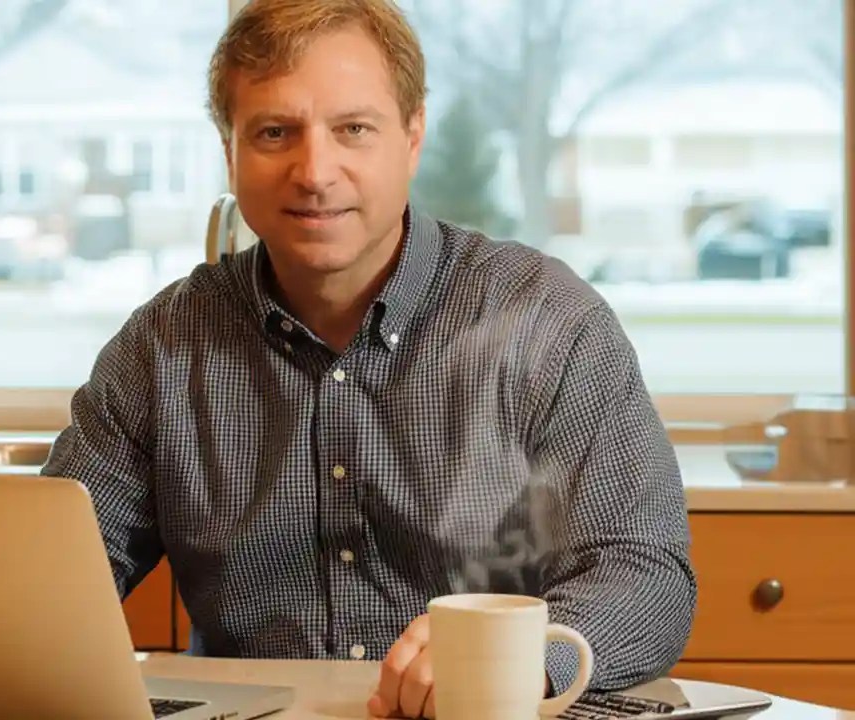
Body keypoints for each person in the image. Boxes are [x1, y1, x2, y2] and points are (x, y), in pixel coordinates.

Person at [41, 0, 697, 717]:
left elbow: (644, 573)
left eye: (353, 129)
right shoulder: (161, 348)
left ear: (413, 137)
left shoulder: (548, 321)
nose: (315, 171)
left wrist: (513, 659)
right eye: (273, 133)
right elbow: (48, 587)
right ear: (228, 148)